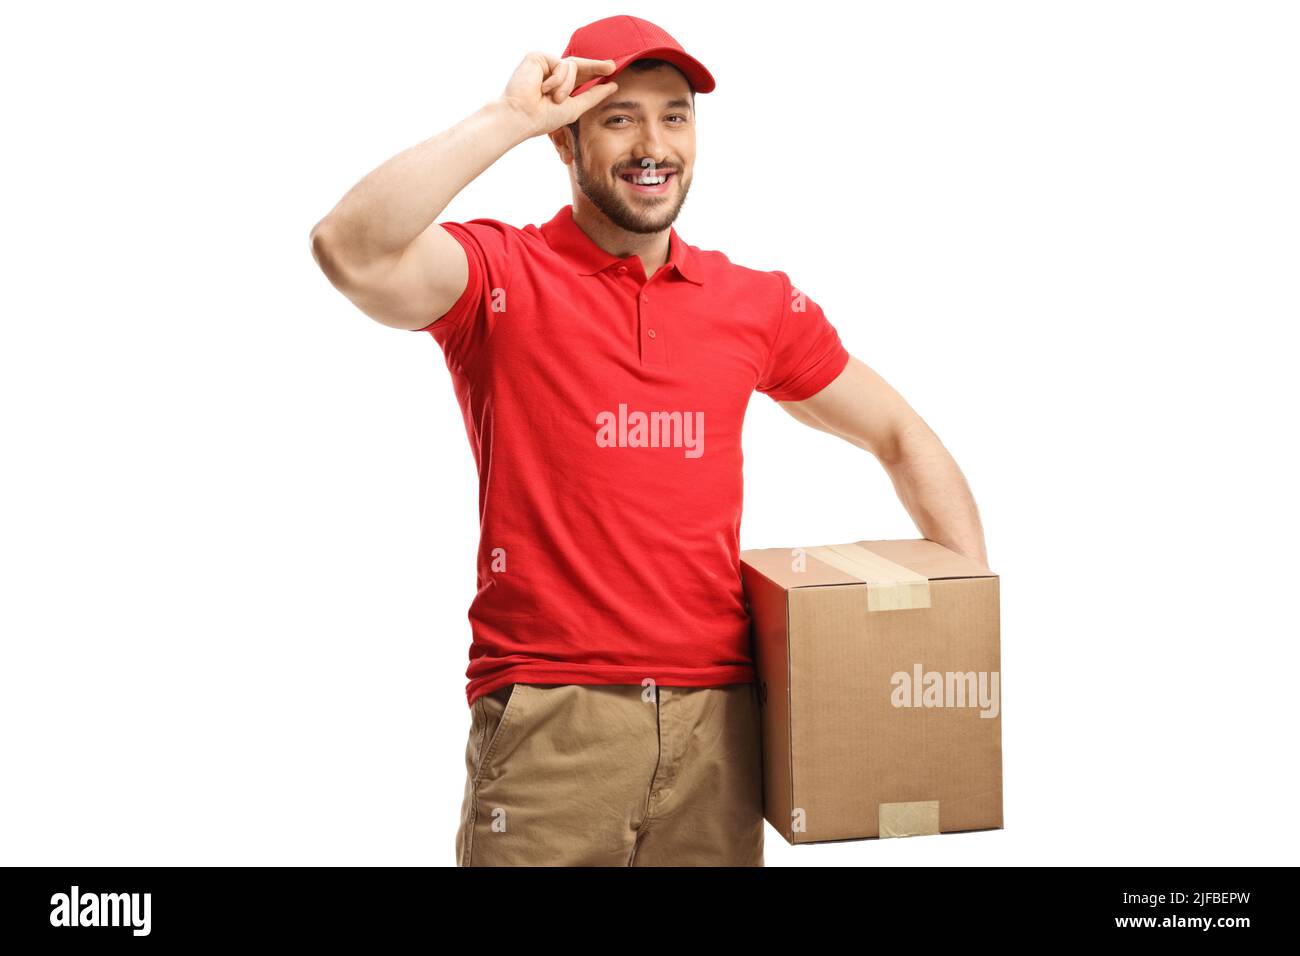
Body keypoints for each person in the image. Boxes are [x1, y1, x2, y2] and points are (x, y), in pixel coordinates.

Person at [309, 15, 988, 867]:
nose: (652, 145)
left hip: (722, 727)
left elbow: (898, 432)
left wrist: (962, 614)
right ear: (567, 141)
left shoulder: (755, 303)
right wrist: (508, 118)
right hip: (555, 721)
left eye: (675, 115)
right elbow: (351, 249)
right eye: (619, 116)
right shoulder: (500, 276)